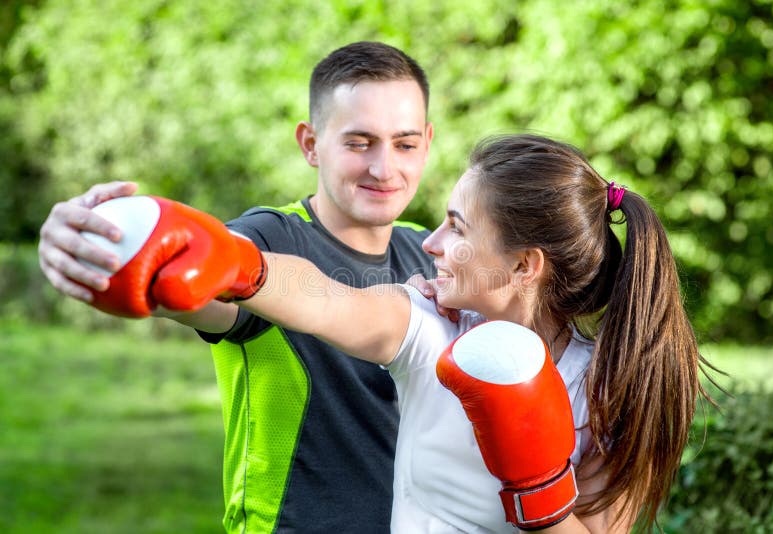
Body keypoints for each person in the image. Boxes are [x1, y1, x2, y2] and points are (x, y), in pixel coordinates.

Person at [73, 133, 713, 533]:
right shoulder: (429, 325)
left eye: (458, 227)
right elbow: (327, 299)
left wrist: (538, 486)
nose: (430, 244)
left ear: (525, 266)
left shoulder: (605, 386)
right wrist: (237, 264)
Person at [37, 41, 436, 533]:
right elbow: (198, 278)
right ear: (311, 144)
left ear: (427, 143)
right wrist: (93, 242)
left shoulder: (428, 250)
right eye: (359, 142)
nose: (384, 167)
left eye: (404, 144)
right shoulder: (267, 238)